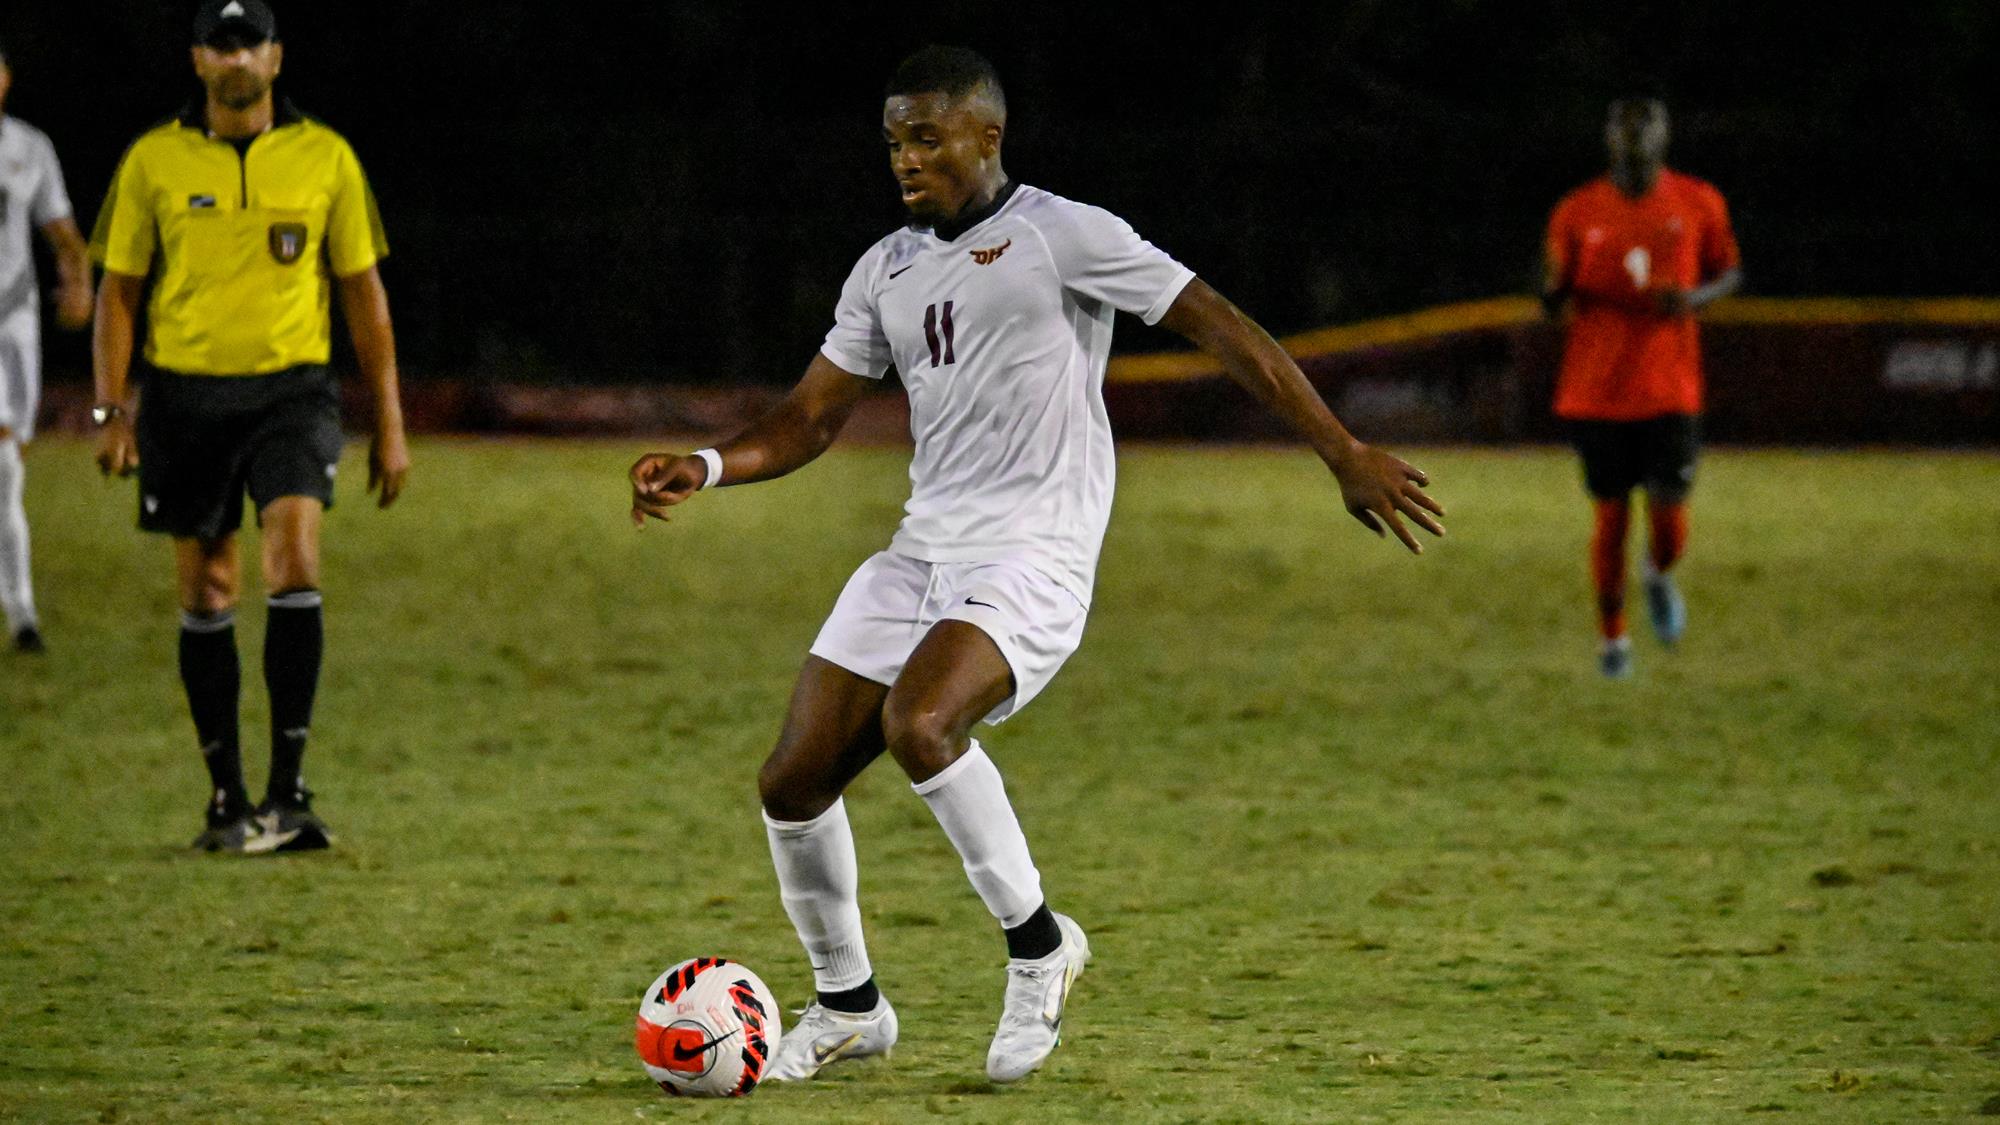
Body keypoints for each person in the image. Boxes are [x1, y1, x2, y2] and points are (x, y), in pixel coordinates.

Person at [629, 46, 1444, 1085]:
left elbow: (1220, 328)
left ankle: (1038, 947)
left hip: (1033, 553)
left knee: (919, 724)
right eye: (892, 142)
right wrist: (706, 465)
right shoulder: (883, 267)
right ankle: (848, 1006)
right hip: (921, 550)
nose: (905, 160)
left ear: (986, 135)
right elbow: (808, 418)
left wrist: (1342, 450)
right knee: (790, 782)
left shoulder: (1062, 236)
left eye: (926, 137)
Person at [89, 0, 410, 852]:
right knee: (207, 590)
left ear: (276, 56)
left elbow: (363, 294)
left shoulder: (326, 156)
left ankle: (289, 792)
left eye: (251, 44)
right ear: (198, 60)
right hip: (185, 398)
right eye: (220, 46)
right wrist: (111, 406)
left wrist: (391, 419)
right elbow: (117, 291)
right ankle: (226, 799)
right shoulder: (153, 158)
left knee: (295, 559)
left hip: (291, 394)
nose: (237, 59)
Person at [1542, 97, 1741, 679]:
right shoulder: (1578, 210)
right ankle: (1613, 643)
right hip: (1595, 389)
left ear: (1662, 137)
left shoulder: (1698, 201)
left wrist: (1693, 299)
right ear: (1609, 140)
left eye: (1643, 130)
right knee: (1610, 516)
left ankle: (1657, 572)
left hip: (1670, 386)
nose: (1633, 141)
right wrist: (1552, 295)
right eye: (1624, 131)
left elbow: (1729, 271)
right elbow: (1553, 291)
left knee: (1668, 517)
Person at [0, 41, 94, 653]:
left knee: (6, 469)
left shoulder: (27, 148)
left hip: (9, 326)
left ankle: (22, 612)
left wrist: (79, 279)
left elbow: (61, 231)